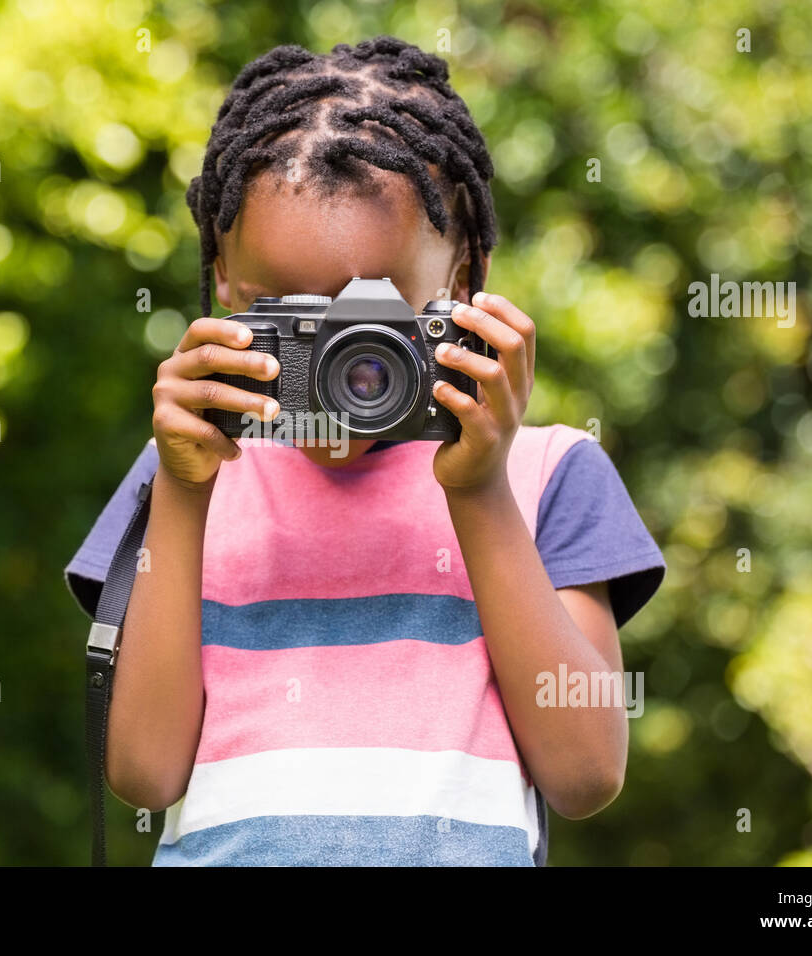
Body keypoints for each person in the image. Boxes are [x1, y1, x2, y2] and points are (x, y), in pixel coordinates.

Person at [66, 36, 665, 866]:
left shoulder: (546, 473)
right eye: (287, 313)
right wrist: (181, 489)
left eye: (371, 318)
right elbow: (144, 772)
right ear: (224, 283)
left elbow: (586, 772)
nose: (343, 365)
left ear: (463, 282)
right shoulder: (187, 473)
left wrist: (483, 491)